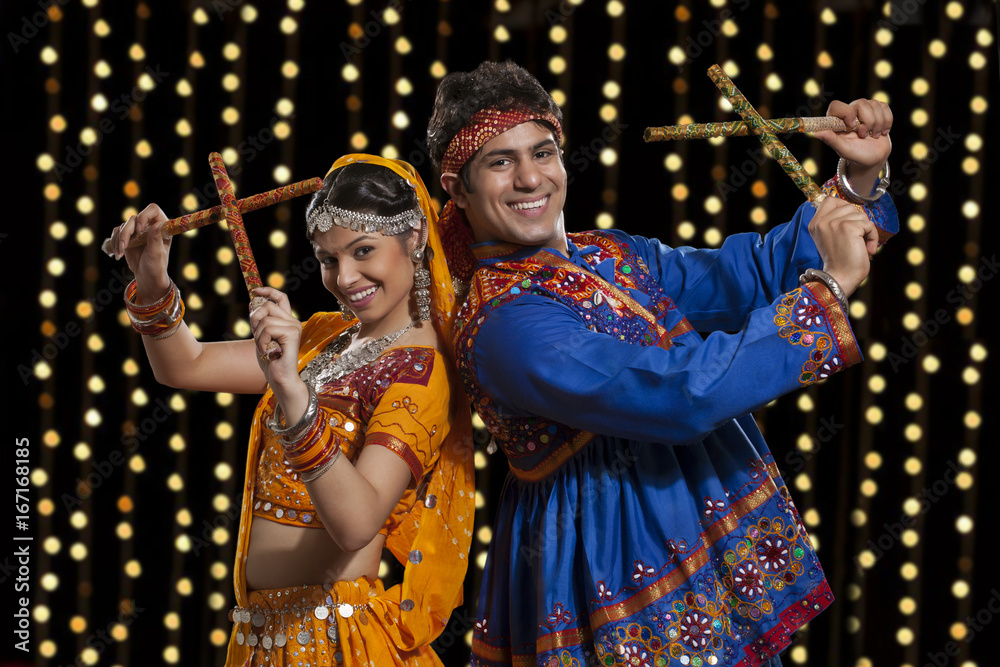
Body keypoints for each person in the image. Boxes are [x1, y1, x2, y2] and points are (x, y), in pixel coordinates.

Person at [426, 61, 898, 666]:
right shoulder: (503, 325)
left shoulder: (610, 253)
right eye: (499, 162)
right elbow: (679, 396)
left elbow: (745, 275)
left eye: (542, 152)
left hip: (687, 529)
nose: (529, 178)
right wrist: (826, 290)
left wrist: (856, 182)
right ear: (457, 188)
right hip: (611, 554)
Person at [109, 154, 474, 666]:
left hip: (336, 643)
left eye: (362, 250)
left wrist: (292, 393)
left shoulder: (419, 370)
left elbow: (357, 521)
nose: (346, 278)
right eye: (328, 259)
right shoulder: (325, 338)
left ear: (414, 236)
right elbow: (184, 366)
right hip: (265, 637)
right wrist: (151, 281)